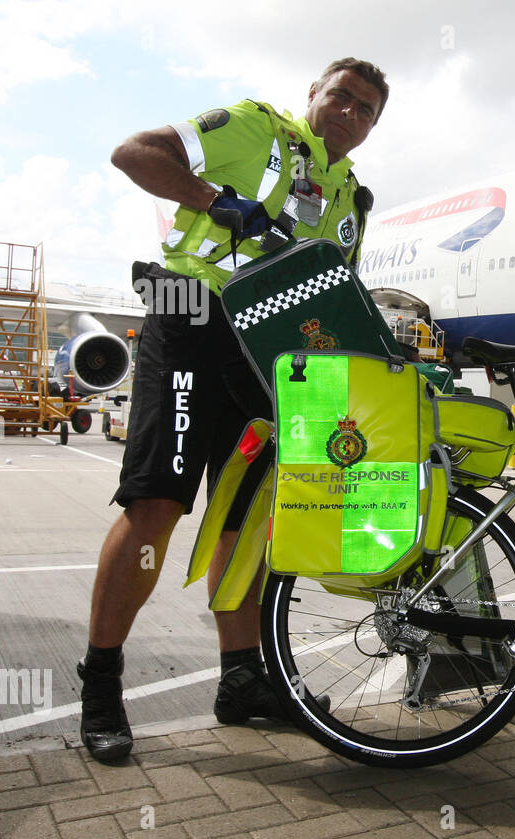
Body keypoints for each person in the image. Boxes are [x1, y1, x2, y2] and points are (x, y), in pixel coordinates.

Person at [78, 58, 388, 762]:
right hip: (191, 320)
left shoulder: (350, 198)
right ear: (314, 94)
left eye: (366, 109)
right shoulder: (256, 130)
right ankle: (101, 682)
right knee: (157, 505)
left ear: (372, 127)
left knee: (247, 522)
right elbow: (135, 153)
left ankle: (242, 680)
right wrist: (214, 198)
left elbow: (332, 292)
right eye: (340, 95)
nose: (349, 111)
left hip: (270, 355)